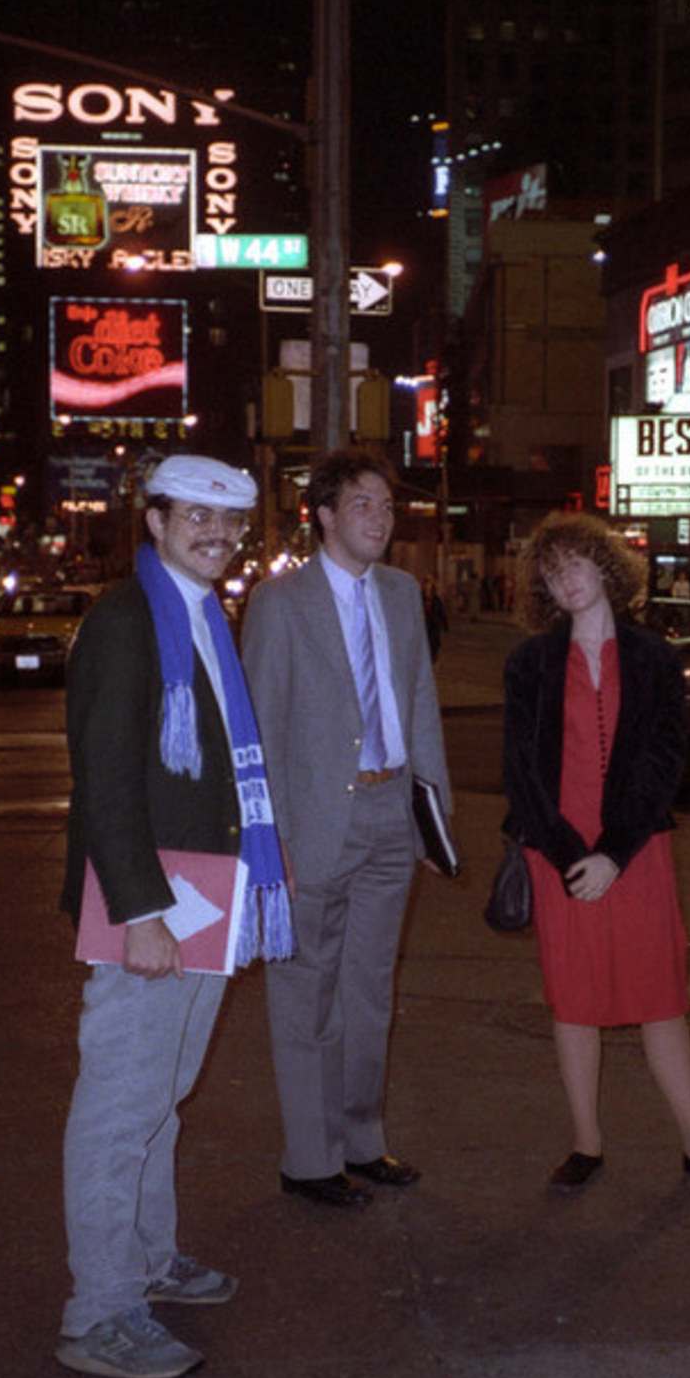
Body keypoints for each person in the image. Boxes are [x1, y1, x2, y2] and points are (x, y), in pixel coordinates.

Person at [54, 454, 291, 1378]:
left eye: (231, 523)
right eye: (196, 517)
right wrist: (142, 911)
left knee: (160, 1097)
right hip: (152, 900)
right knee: (119, 1108)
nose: (217, 535)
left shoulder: (199, 617)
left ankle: (149, 1261)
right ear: (153, 520)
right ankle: (98, 1310)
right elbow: (103, 782)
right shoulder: (123, 624)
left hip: (208, 887)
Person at [502, 513, 690, 1196]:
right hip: (558, 854)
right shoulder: (529, 662)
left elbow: (666, 758)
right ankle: (585, 1143)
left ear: (608, 569)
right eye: (553, 571)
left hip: (637, 848)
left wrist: (614, 851)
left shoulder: (654, 656)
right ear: (545, 588)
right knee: (575, 1000)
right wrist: (566, 855)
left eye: (578, 563)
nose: (568, 579)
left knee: (661, 999)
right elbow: (521, 772)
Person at [243, 449, 453, 1210]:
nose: (381, 517)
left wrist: (434, 818)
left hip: (391, 814)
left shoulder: (401, 595)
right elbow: (260, 729)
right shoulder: (280, 602)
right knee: (305, 992)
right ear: (325, 516)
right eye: (363, 504)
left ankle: (362, 1140)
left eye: (387, 506)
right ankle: (309, 1157)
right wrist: (268, 839)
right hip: (312, 821)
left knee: (370, 990)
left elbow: (419, 703)